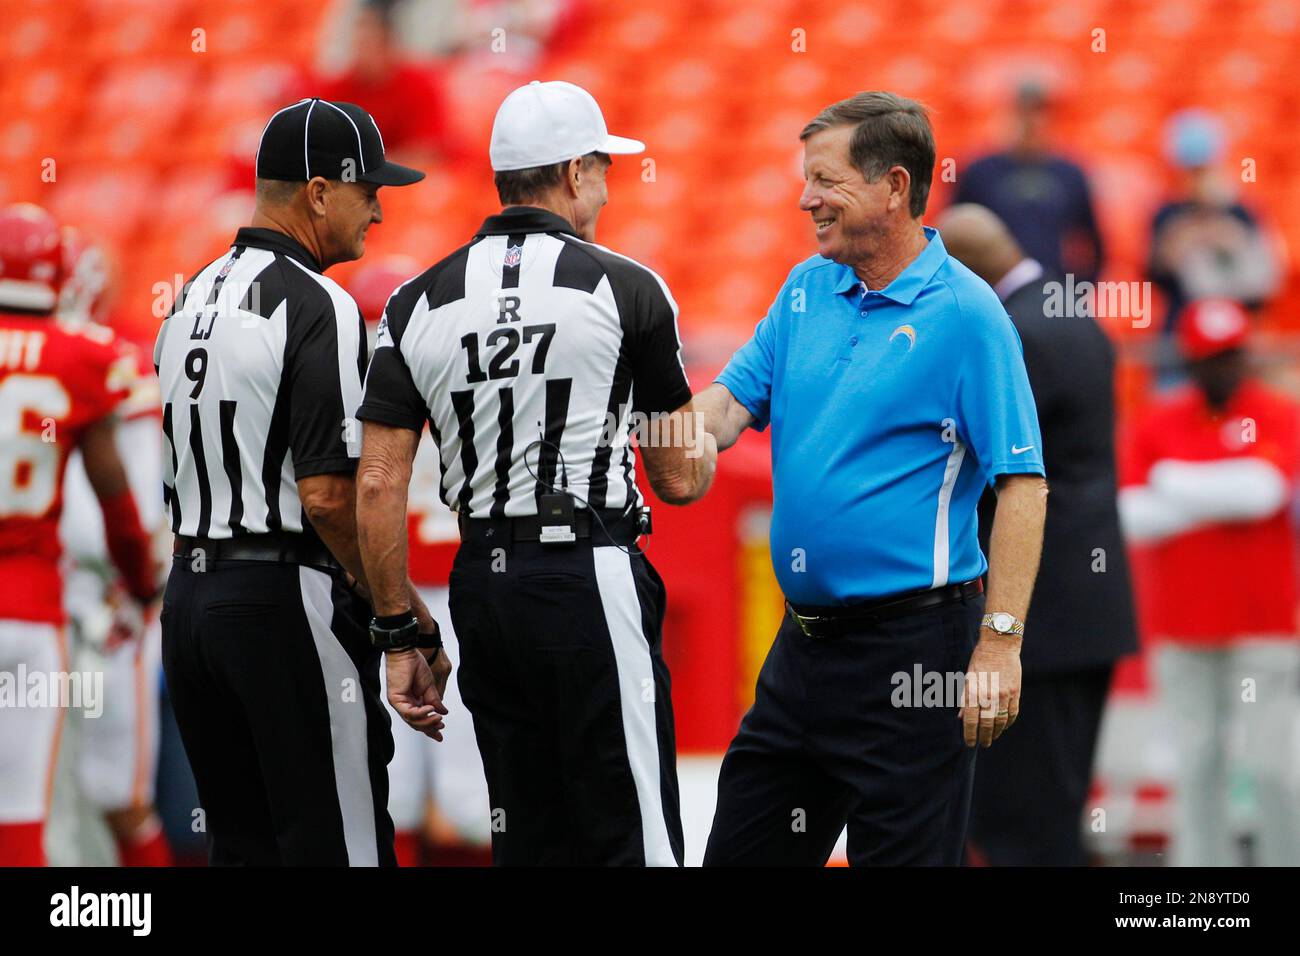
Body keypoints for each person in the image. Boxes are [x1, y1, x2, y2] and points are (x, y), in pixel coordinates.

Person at [355, 80, 716, 866]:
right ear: (577, 172)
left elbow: (378, 483)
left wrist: (396, 630)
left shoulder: (416, 301)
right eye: (605, 171)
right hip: (589, 573)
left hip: (481, 584)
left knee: (528, 837)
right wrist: (714, 432)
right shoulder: (627, 285)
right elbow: (679, 477)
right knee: (637, 834)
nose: (609, 191)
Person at [696, 92, 1048, 867]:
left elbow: (1023, 483)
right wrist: (681, 431)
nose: (805, 198)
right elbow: (729, 401)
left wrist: (999, 646)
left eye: (826, 180)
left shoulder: (967, 314)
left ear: (893, 186)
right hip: (802, 649)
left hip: (914, 654)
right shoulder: (804, 288)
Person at [154, 99, 437, 866]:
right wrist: (396, 617)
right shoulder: (320, 305)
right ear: (318, 192)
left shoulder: (189, 297)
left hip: (188, 598)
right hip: (281, 598)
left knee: (242, 844)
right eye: (367, 189)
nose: (377, 210)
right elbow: (326, 496)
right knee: (338, 845)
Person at [939, 203, 1138, 866]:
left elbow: (1002, 466)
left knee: (1024, 816)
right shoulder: (1068, 311)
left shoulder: (1015, 330)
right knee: (1056, 802)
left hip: (1045, 608)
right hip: (1088, 603)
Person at [0, 204, 158, 866]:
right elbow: (119, 498)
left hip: (67, 596)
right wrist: (145, 581)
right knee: (21, 817)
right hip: (37, 606)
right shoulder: (88, 358)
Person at [1119, 298, 1300, 866]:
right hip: (1184, 622)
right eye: (1211, 358)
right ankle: (1203, 887)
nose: (1223, 368)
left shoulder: (1279, 412)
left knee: (1273, 765)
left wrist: (1173, 482)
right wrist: (1224, 491)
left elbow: (1266, 492)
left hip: (1264, 623)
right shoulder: (1157, 419)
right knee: (1196, 765)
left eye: (1231, 356)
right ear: (1191, 362)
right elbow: (1133, 515)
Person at [54, 227, 173, 867]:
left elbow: (142, 508)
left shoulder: (116, 361)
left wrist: (135, 582)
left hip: (106, 596)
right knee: (48, 787)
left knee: (111, 790)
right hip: (49, 589)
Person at [952, 80, 1104, 283]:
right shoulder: (980, 172)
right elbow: (956, 232)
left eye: (1039, 112)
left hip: (1051, 287)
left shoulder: (1070, 174)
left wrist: (1077, 288)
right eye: (1024, 111)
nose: (1032, 121)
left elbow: (1094, 242)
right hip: (993, 289)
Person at [1148, 110, 1278, 337]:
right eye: (1191, 170)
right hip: (1184, 324)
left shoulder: (1239, 212)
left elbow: (1261, 278)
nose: (1197, 177)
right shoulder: (1167, 215)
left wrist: (1221, 223)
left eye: (1202, 169)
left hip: (1234, 326)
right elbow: (1157, 272)